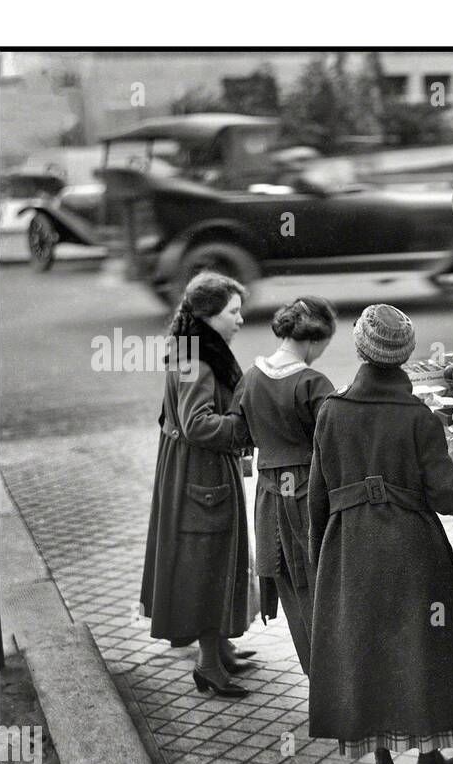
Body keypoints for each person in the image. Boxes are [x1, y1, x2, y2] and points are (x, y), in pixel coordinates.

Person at [307, 304, 453, 764]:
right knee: (423, 649)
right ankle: (430, 755)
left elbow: (316, 497)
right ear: (404, 358)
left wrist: (321, 556)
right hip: (413, 550)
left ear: (361, 350)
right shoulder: (419, 419)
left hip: (350, 549)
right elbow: (449, 498)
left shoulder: (331, 412)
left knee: (368, 653)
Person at [139, 271, 255, 698]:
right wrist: (246, 427)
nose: (241, 319)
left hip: (196, 471)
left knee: (214, 558)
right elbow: (196, 424)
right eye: (233, 312)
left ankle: (219, 647)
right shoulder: (199, 360)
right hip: (200, 474)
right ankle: (208, 666)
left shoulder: (195, 348)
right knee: (207, 562)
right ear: (208, 316)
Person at [235, 296, 337, 674]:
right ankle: (334, 674)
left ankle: (315, 670)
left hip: (268, 494)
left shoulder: (250, 376)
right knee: (321, 578)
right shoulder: (312, 382)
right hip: (308, 489)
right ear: (314, 338)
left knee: (290, 583)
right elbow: (333, 441)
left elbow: (241, 432)